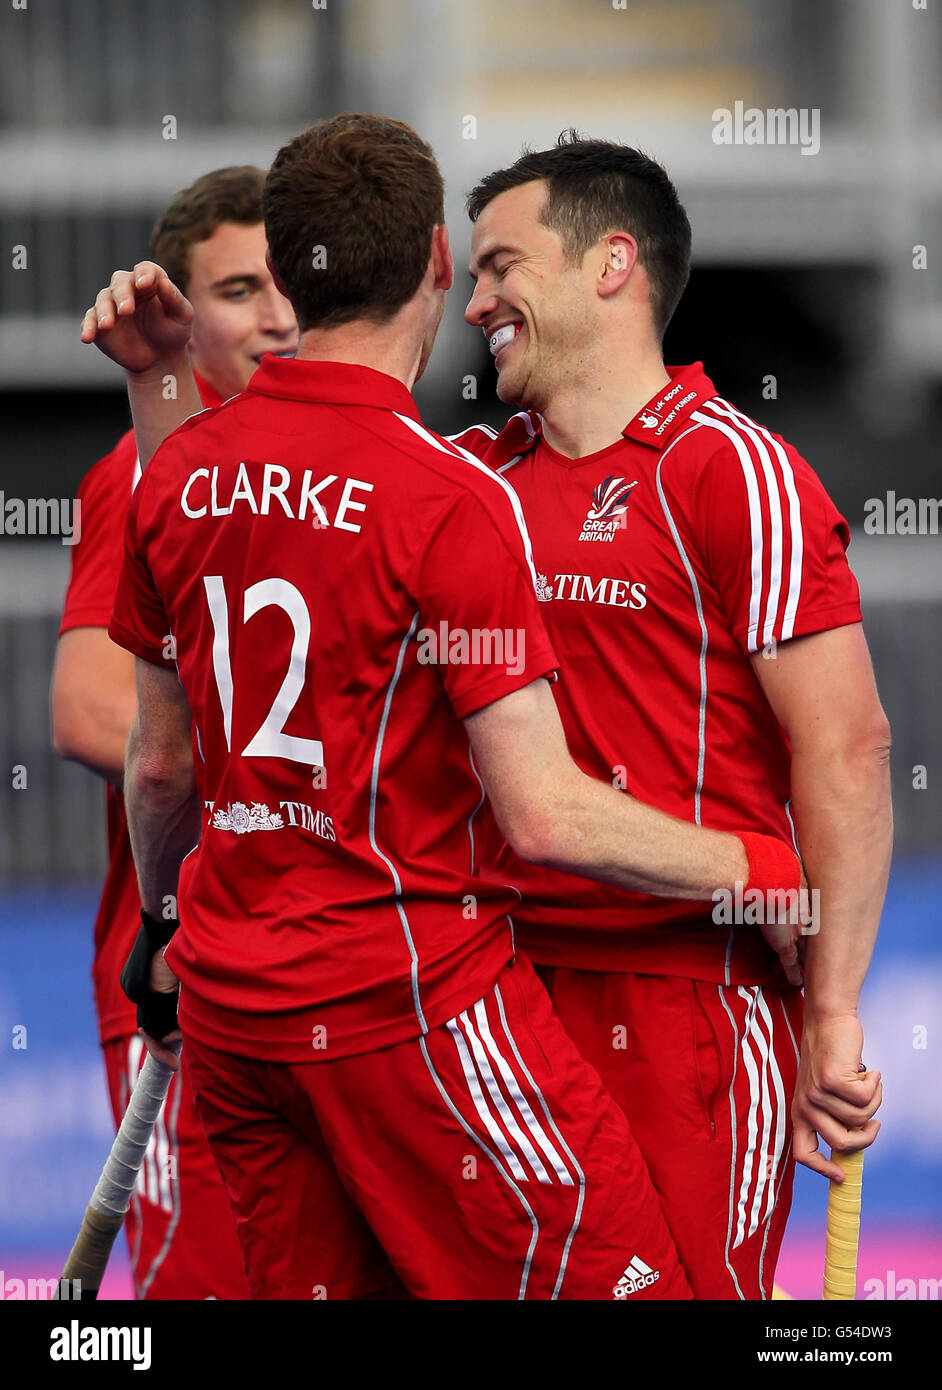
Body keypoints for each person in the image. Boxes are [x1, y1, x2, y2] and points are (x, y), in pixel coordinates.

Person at [84, 115, 804, 1301]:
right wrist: (764, 871)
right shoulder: (452, 495)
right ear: (430, 259)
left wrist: (165, 933)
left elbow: (161, 774)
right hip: (405, 1006)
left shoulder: (175, 481)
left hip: (235, 1019)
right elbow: (546, 816)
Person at [455, 132, 891, 1299]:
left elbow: (845, 750)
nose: (475, 299)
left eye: (502, 266)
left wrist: (835, 1012)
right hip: (491, 998)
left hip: (688, 1004)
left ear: (611, 264)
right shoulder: (469, 482)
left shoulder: (731, 470)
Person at [51, 164, 297, 1299]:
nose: (281, 315)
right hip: (181, 992)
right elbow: (92, 708)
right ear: (177, 318)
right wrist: (288, 777)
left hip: (308, 972)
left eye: (291, 281)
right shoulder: (144, 478)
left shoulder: (317, 475)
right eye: (241, 288)